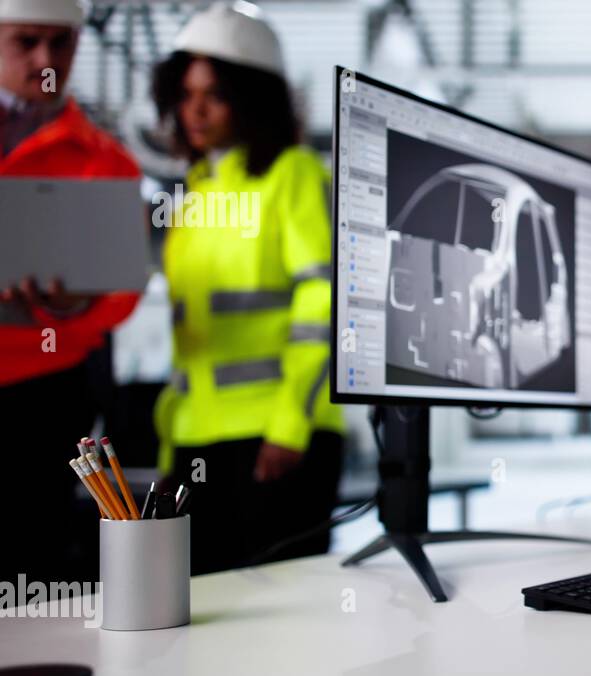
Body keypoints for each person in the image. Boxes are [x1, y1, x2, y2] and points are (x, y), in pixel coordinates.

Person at [150, 3, 343, 574]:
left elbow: (323, 300)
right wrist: (170, 450)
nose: (196, 110)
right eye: (185, 95)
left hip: (277, 440)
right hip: (194, 441)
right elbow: (187, 337)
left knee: (278, 632)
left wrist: (289, 424)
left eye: (215, 94)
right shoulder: (195, 190)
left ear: (252, 97)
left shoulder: (295, 174)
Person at [0, 0, 140, 580]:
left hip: (45, 395)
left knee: (30, 558)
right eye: (26, 42)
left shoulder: (105, 162)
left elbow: (121, 295)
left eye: (61, 44)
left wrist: (83, 305)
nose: (45, 59)